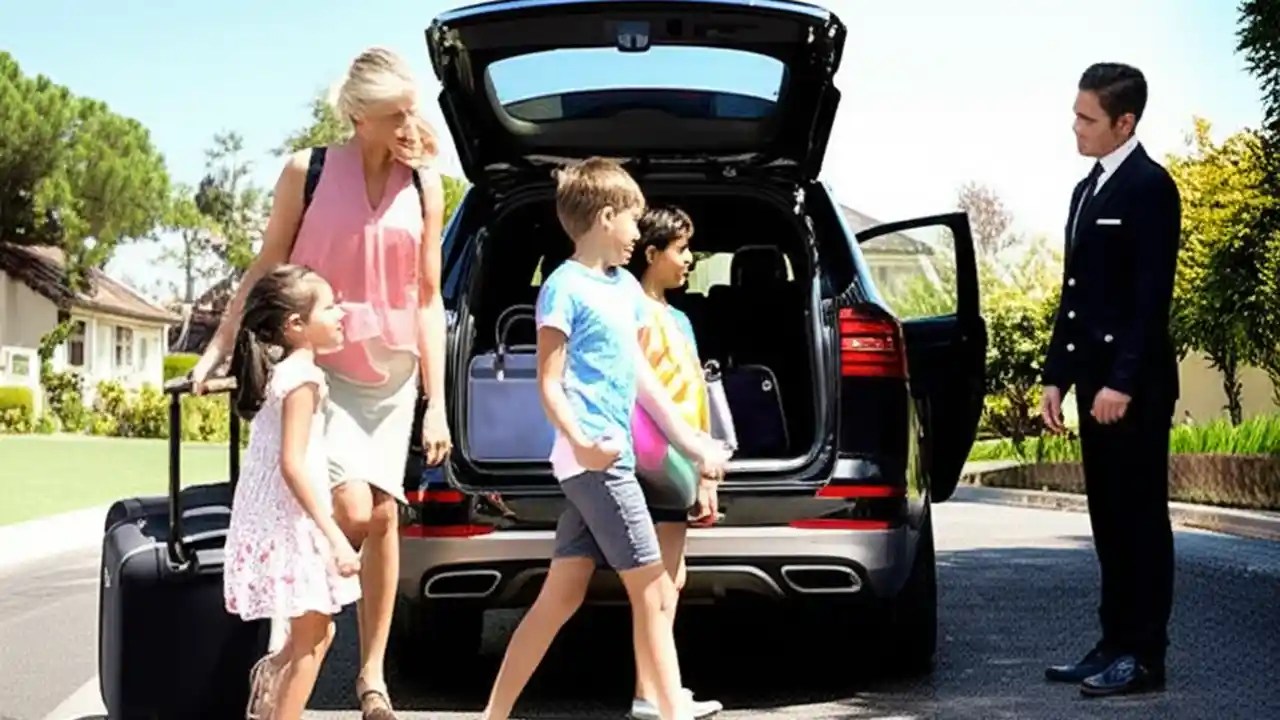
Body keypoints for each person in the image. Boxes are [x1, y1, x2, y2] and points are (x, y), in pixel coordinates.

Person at [191, 47, 451, 719]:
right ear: (359, 115)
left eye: (411, 111)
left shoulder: (425, 185)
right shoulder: (304, 172)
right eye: (394, 114)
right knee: (353, 512)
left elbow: (429, 297)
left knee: (385, 512)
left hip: (391, 376)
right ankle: (291, 650)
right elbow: (266, 266)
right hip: (320, 365)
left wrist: (437, 404)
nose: (408, 125)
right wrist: (218, 345)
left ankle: (372, 676)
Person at [480, 158, 730, 720]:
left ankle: (492, 716)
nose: (638, 233)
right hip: (595, 461)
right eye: (634, 221)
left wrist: (692, 443)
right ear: (606, 217)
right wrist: (582, 443)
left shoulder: (625, 290)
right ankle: (670, 707)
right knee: (653, 591)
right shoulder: (563, 288)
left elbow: (643, 379)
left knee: (561, 594)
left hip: (608, 458)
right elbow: (549, 383)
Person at [1040, 62, 1182, 698]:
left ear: (1125, 122)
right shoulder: (1085, 190)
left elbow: (1150, 299)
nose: (1075, 126)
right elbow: (1076, 296)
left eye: (1087, 117)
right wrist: (1056, 377)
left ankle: (1144, 656)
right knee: (1108, 521)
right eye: (1076, 113)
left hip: (1134, 390)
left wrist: (1120, 383)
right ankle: (1112, 642)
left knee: (1140, 521)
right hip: (1093, 386)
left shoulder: (1151, 188)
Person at [223, 265, 359, 720]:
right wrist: (335, 536)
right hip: (292, 522)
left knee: (318, 634)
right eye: (330, 307)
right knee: (312, 640)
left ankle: (272, 672)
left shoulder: (287, 373)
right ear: (296, 324)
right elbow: (292, 463)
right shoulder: (302, 379)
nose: (341, 314)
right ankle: (278, 688)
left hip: (280, 516)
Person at [625, 205, 723, 720]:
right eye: (681, 250)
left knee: (672, 576)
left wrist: (704, 469)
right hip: (651, 458)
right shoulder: (633, 312)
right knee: (659, 580)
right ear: (651, 253)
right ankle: (655, 693)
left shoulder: (680, 318)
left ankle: (658, 689)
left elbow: (696, 397)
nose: (689, 260)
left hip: (680, 458)